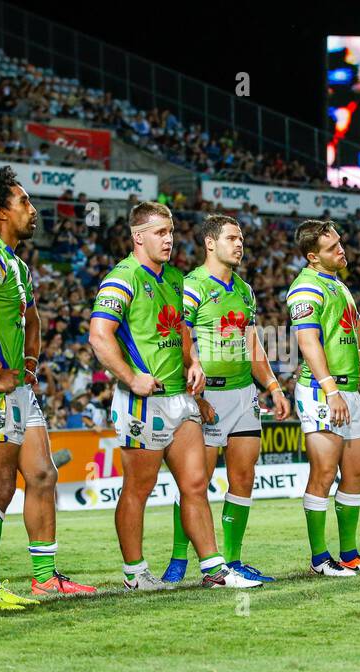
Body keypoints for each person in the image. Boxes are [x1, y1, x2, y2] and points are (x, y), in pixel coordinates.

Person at [88, 201, 260, 590]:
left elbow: (180, 330)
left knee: (196, 485)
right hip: (142, 402)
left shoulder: (174, 279)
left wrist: (193, 361)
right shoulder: (122, 277)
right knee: (138, 488)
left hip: (180, 399)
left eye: (170, 232)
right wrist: (131, 378)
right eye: (160, 233)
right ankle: (135, 573)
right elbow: (99, 334)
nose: (168, 239)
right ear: (138, 236)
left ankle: (214, 570)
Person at [0, 166, 94, 612]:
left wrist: (29, 364)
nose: (33, 211)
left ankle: (43, 578)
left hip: (17, 387)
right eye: (24, 203)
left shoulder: (13, 262)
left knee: (42, 474)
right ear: (0, 210)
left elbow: (32, 319)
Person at [160, 214, 290, 584]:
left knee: (243, 476)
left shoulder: (245, 290)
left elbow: (252, 343)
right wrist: (194, 392)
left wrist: (273, 387)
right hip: (206, 395)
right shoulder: (191, 286)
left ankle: (231, 560)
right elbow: (179, 341)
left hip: (243, 394)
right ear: (210, 243)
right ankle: (179, 555)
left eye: (242, 239)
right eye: (232, 238)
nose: (239, 244)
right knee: (194, 481)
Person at [287, 220, 360, 577]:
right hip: (321, 391)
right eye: (332, 248)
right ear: (313, 256)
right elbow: (308, 342)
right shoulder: (305, 288)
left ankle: (350, 555)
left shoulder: (338, 284)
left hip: (348, 390)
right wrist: (330, 389)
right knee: (325, 472)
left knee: (356, 471)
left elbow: (357, 321)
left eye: (340, 243)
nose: (341, 250)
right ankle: (319, 559)